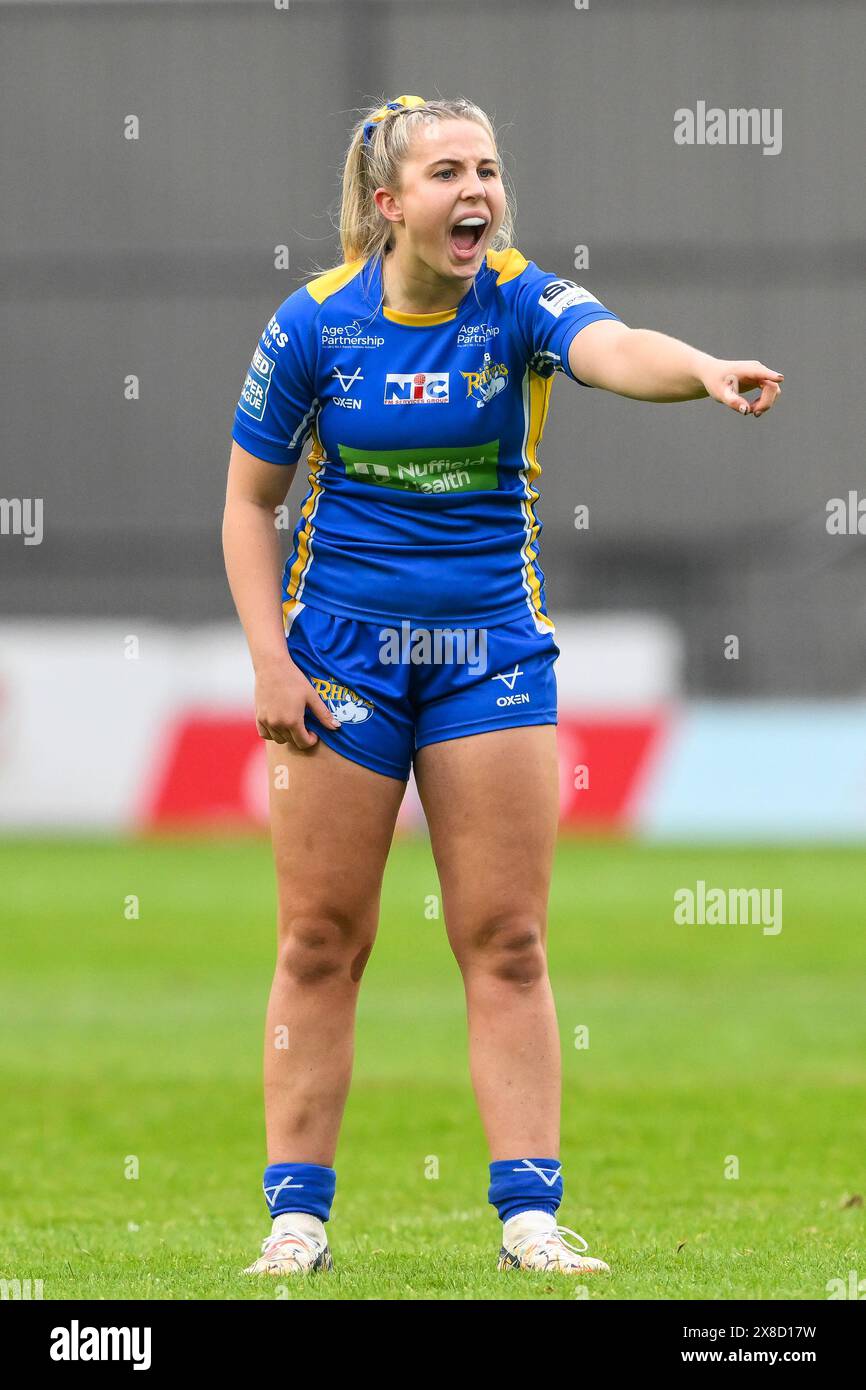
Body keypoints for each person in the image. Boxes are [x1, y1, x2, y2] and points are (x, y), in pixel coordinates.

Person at [222, 94, 783, 1280]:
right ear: (388, 206)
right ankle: (295, 1221)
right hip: (341, 665)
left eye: (486, 168)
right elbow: (246, 502)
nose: (475, 190)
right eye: (445, 173)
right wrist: (271, 659)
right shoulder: (314, 324)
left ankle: (530, 1218)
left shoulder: (520, 295)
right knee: (321, 939)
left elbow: (612, 348)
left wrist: (698, 368)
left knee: (510, 940)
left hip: (489, 657)